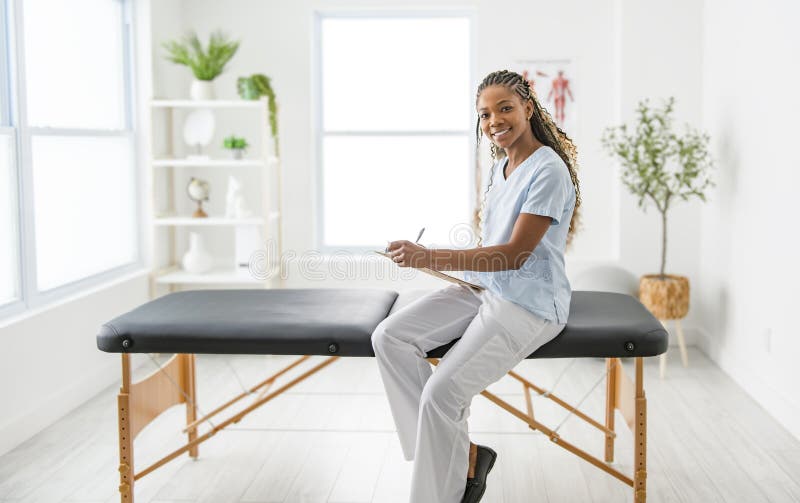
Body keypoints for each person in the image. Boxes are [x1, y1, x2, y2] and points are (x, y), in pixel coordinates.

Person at [371, 69, 582, 503]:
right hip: (486, 289)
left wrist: (428, 256)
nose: (494, 121)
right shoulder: (500, 166)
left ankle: (442, 489)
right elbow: (490, 248)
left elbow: (513, 255)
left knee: (441, 394)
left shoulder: (549, 170)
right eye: (485, 114)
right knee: (389, 337)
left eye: (504, 108)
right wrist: (457, 275)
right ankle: (460, 452)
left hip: (529, 304)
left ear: (528, 106)